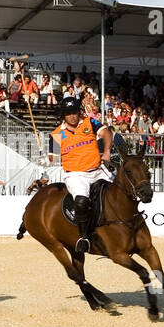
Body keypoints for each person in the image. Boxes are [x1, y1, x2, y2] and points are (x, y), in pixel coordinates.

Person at [48, 95, 114, 254]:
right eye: (69, 113)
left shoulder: (89, 122)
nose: (72, 116)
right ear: (64, 114)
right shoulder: (57, 134)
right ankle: (84, 237)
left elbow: (107, 134)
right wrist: (49, 154)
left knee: (121, 191)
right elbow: (52, 158)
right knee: (81, 202)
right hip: (76, 175)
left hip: (98, 170)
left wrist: (106, 152)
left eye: (75, 112)